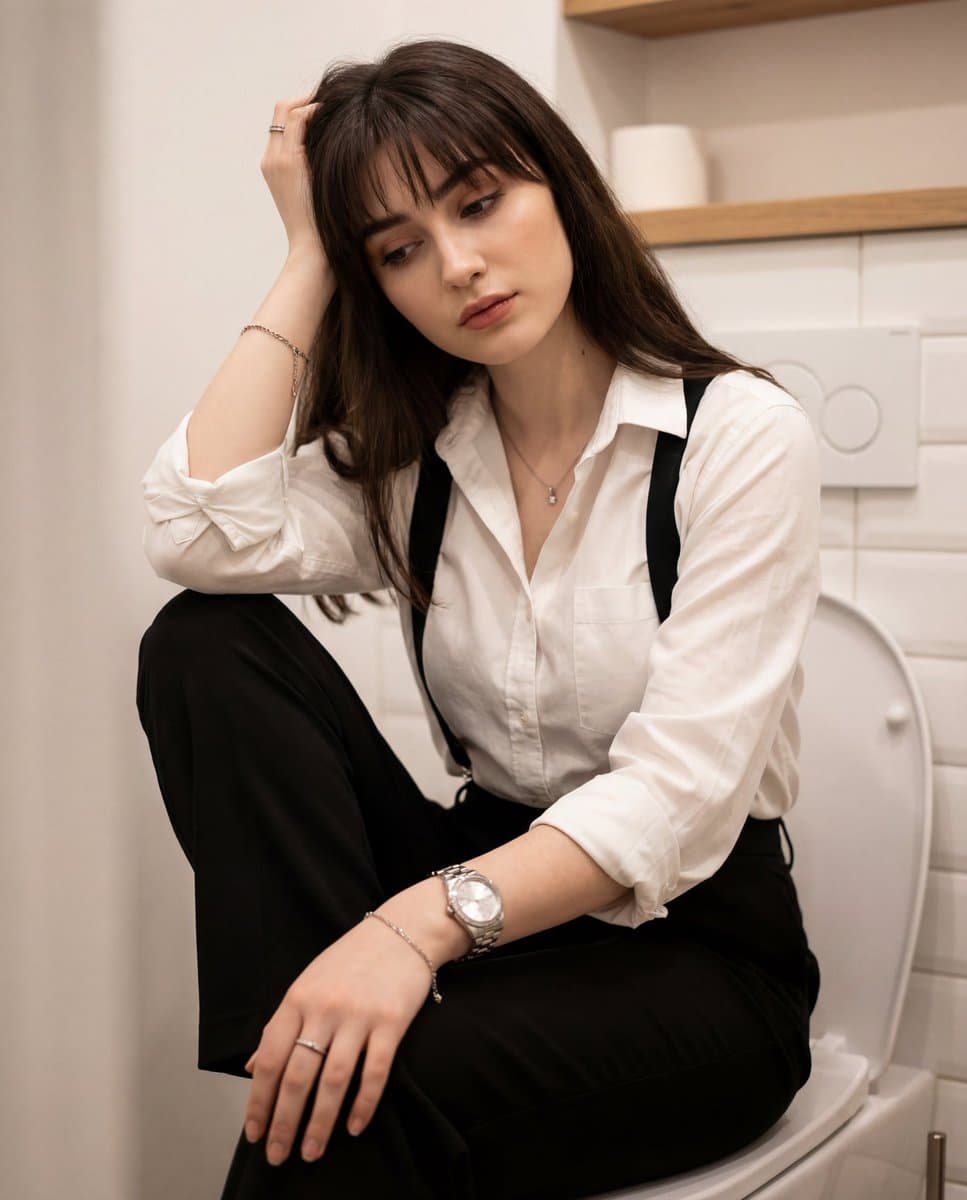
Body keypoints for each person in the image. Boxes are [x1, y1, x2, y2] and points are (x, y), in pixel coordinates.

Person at [135, 36, 822, 1200]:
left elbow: (670, 799)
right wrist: (309, 253)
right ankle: (319, 1011)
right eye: (400, 250)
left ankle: (332, 1032)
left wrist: (410, 932)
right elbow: (197, 530)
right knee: (202, 643)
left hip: (698, 961)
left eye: (480, 201)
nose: (456, 265)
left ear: (560, 184)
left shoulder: (738, 438)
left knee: (364, 1096)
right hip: (481, 883)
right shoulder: (419, 464)